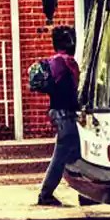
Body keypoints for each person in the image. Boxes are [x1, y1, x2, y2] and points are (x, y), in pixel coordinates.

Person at [38, 25, 81, 207]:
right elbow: (76, 87)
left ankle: (85, 190)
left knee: (75, 152)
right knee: (62, 155)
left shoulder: (53, 61)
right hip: (65, 115)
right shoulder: (67, 62)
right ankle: (46, 194)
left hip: (57, 112)